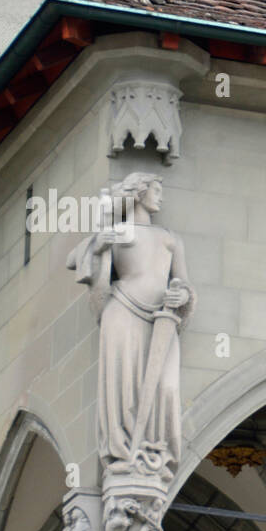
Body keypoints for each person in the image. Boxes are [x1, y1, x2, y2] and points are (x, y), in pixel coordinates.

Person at [66, 173, 194, 483]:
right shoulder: (118, 233)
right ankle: (125, 450)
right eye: (156, 190)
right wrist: (98, 243)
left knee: (166, 387)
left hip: (162, 318)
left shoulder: (169, 237)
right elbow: (74, 259)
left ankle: (155, 448)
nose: (160, 198)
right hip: (122, 311)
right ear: (138, 194)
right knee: (123, 385)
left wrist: (183, 295)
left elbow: (184, 282)